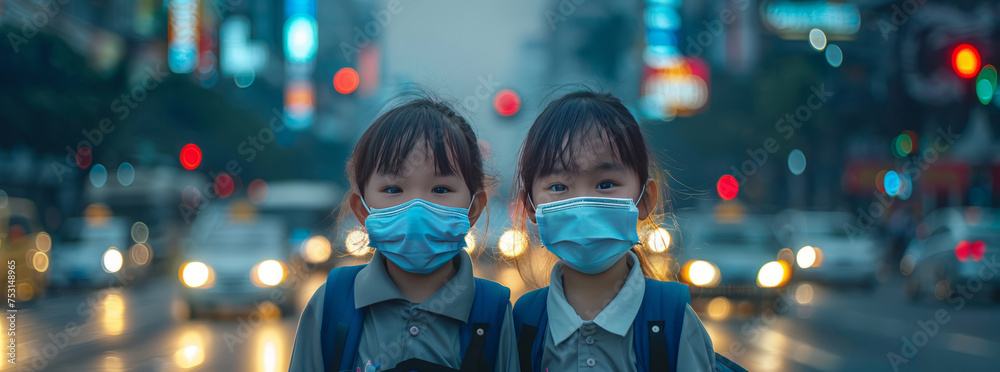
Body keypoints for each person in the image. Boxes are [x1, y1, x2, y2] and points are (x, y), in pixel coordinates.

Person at [289, 96, 519, 372]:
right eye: (393, 189)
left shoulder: (492, 310)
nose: (416, 209)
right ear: (362, 210)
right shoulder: (331, 304)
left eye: (441, 190)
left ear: (474, 210)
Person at [510, 90, 725, 372]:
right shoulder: (524, 322)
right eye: (559, 187)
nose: (583, 203)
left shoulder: (673, 320)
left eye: (606, 184)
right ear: (530, 207)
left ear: (645, 199)